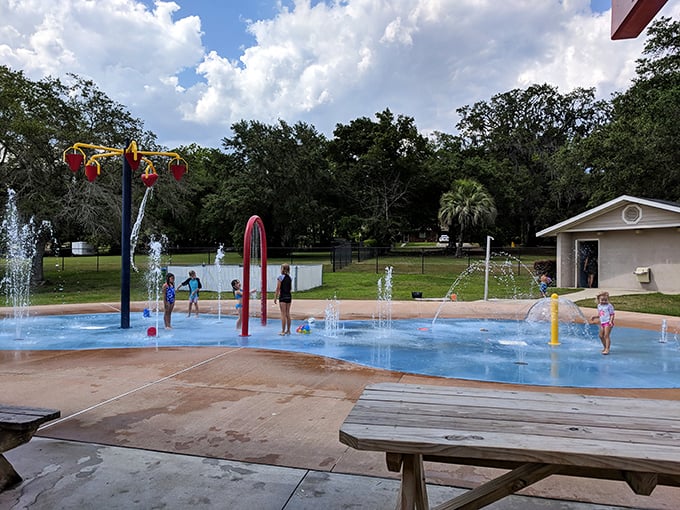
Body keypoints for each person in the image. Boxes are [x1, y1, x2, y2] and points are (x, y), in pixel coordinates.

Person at [591, 291, 615, 355]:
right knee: (601, 336)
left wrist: (611, 321)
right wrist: (595, 317)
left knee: (606, 335)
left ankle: (607, 349)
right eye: (602, 300)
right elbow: (601, 314)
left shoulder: (609, 306)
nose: (604, 301)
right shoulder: (599, 306)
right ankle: (605, 347)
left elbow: (612, 314)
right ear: (599, 300)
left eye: (605, 300)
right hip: (602, 323)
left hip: (608, 322)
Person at [274, 263, 292, 335]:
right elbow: (290, 288)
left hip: (283, 297)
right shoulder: (290, 278)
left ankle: (283, 331)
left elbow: (278, 288)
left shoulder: (280, 277)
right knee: (288, 314)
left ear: (282, 269)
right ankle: (288, 330)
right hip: (289, 296)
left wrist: (275, 297)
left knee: (283, 314)